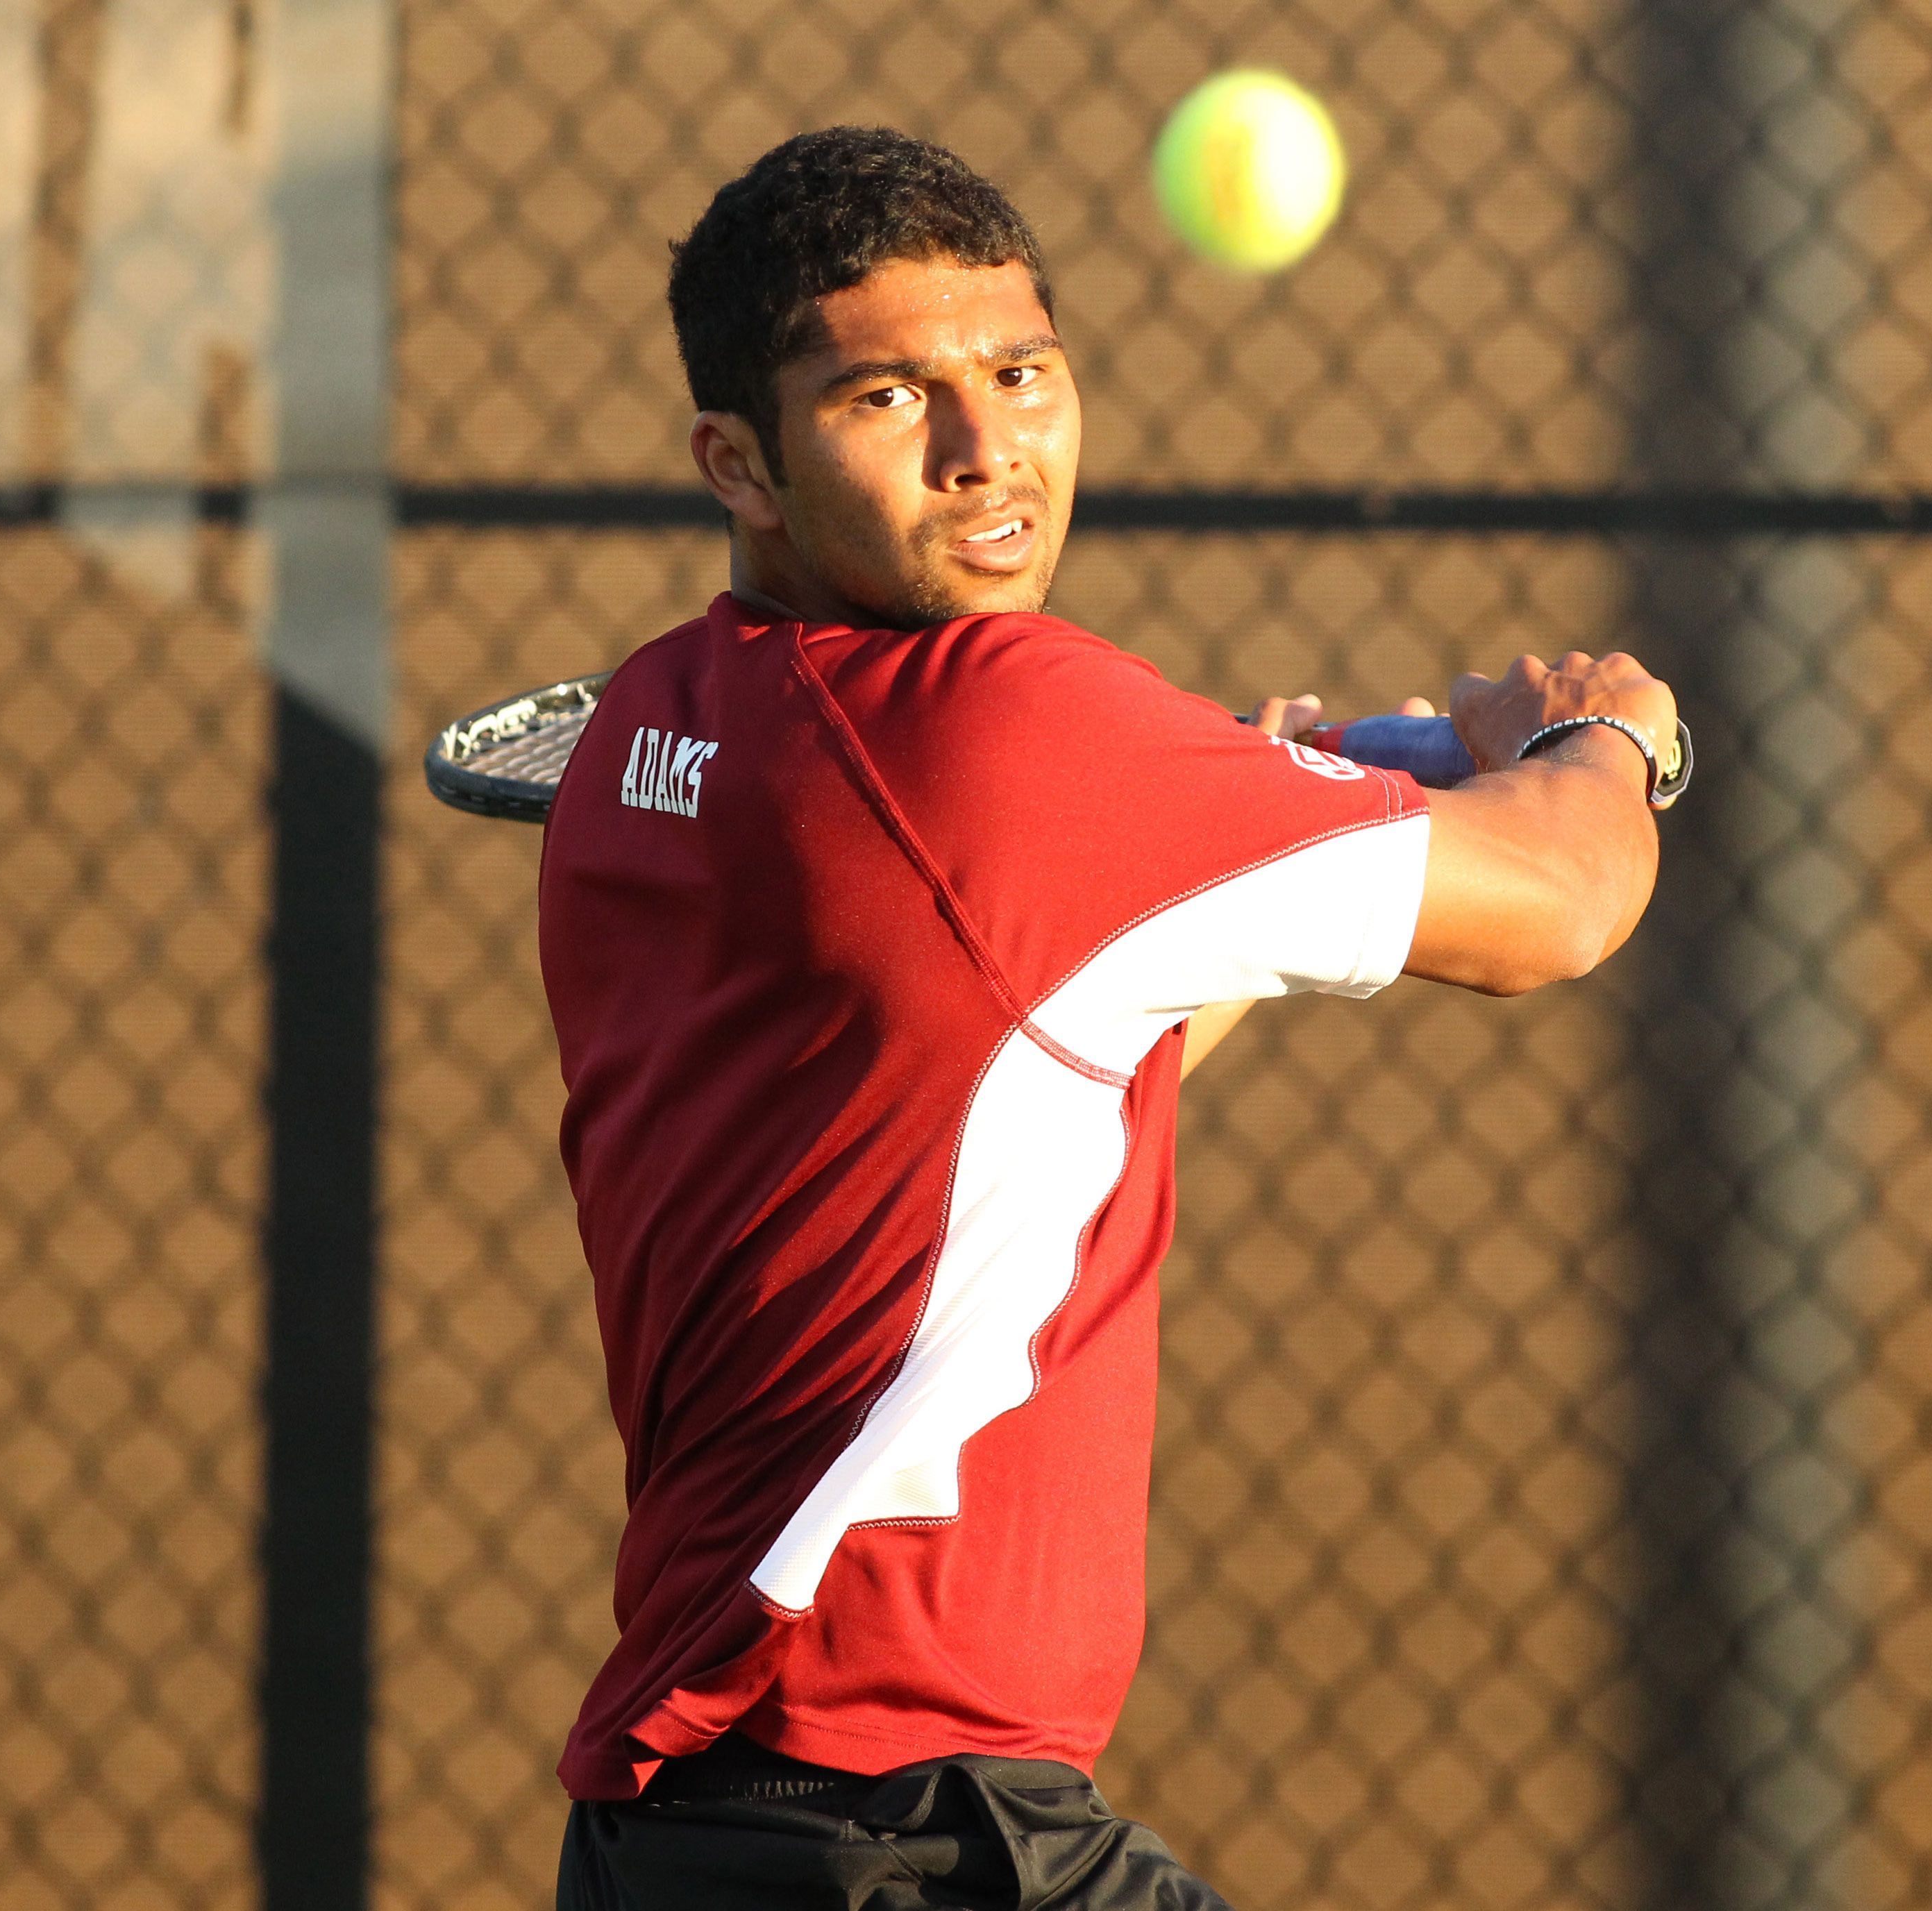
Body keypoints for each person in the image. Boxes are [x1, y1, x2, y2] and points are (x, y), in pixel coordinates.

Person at [538, 126, 1677, 1911]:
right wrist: (1602, 734)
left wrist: (1220, 865)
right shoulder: (1004, 730)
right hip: (909, 1840)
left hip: (692, 1837)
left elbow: (1011, 1054)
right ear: (736, 464)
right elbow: (1558, 903)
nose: (988, 452)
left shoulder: (654, 730)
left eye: (1021, 375)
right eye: (888, 400)